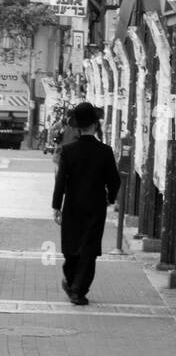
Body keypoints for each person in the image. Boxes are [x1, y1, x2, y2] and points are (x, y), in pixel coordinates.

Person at [52, 102, 119, 305]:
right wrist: (110, 198)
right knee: (89, 250)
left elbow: (61, 180)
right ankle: (78, 291)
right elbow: (115, 180)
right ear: (95, 125)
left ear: (78, 127)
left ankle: (72, 282)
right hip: (95, 208)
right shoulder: (105, 151)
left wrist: (56, 206)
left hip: (72, 206)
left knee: (71, 248)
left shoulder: (68, 151)